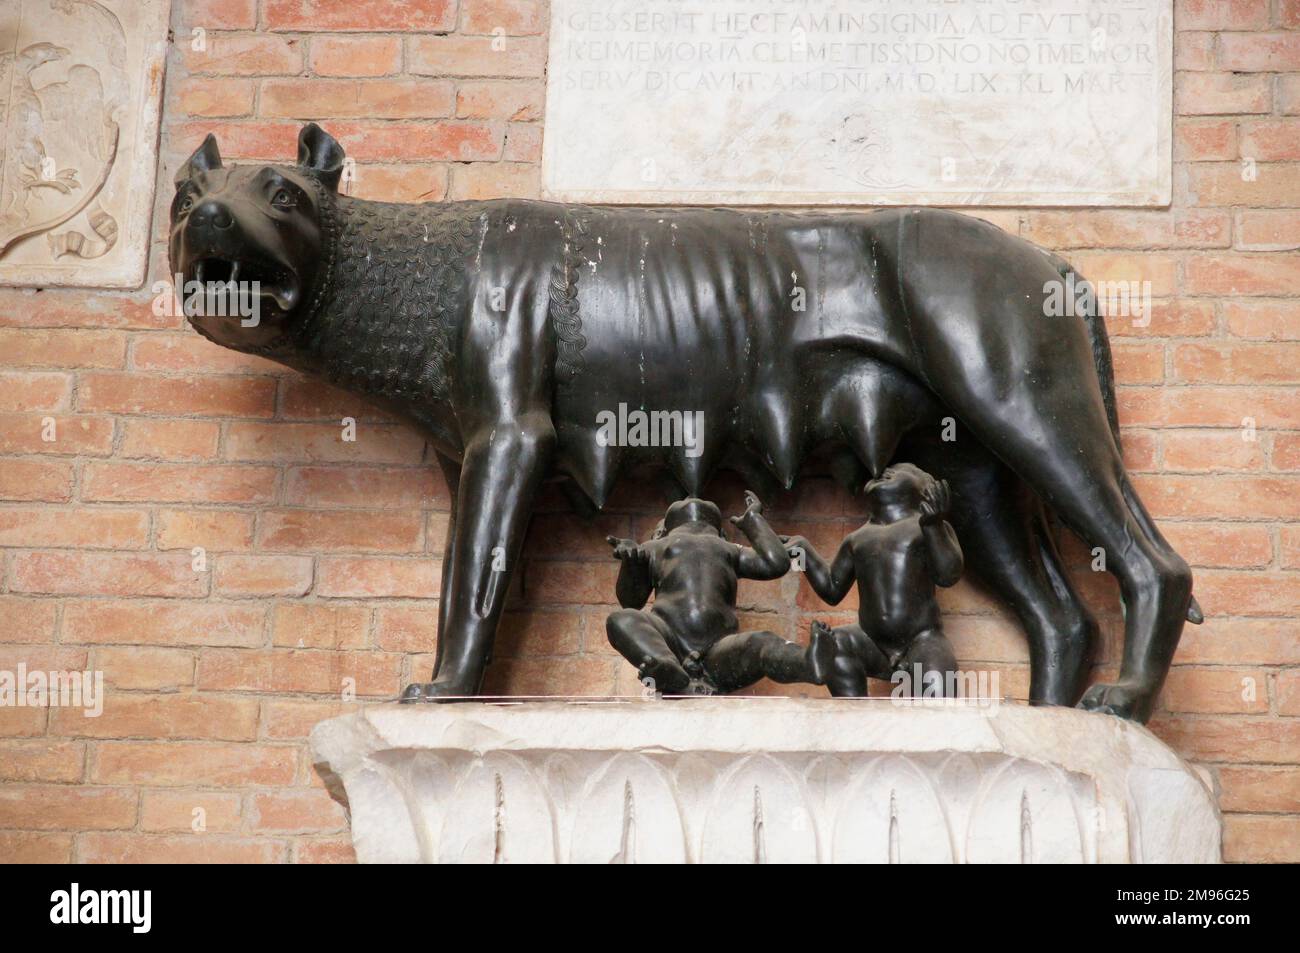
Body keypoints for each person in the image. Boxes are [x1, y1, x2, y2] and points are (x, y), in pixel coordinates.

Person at [606, 492, 833, 695]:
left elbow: (776, 563)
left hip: (720, 651)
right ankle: (668, 668)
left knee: (762, 642)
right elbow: (630, 602)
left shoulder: (730, 550)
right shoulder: (654, 547)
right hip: (670, 642)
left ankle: (807, 663)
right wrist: (632, 564)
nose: (691, 498)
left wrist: (754, 521)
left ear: (722, 534)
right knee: (620, 619)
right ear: (662, 531)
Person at [783, 464, 963, 698]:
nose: (884, 471)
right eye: (883, 470)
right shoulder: (857, 539)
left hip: (921, 639)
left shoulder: (928, 528)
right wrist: (801, 552)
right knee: (835, 645)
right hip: (870, 640)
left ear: (925, 490)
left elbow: (948, 575)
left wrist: (933, 526)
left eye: (898, 469)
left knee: (940, 685)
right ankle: (855, 720)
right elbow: (832, 590)